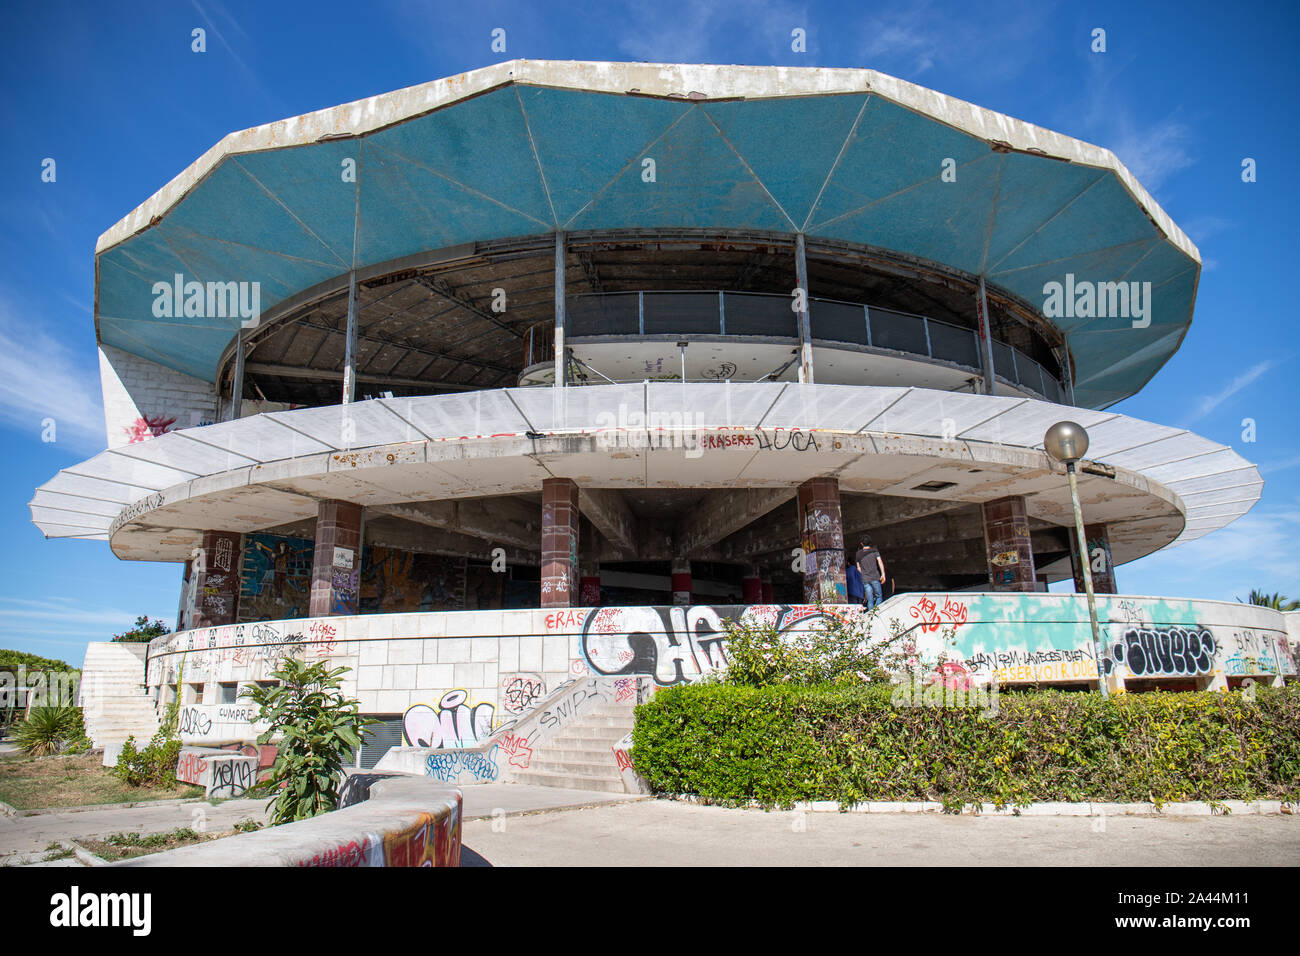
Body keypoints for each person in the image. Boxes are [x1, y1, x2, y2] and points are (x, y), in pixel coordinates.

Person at [856, 536, 887, 610]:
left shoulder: (858, 554)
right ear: (870, 543)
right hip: (875, 577)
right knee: (879, 596)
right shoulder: (874, 551)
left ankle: (871, 614)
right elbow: (880, 562)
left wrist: (864, 573)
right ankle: (877, 612)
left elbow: (858, 568)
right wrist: (883, 574)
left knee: (870, 599)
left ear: (861, 544)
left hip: (865, 579)